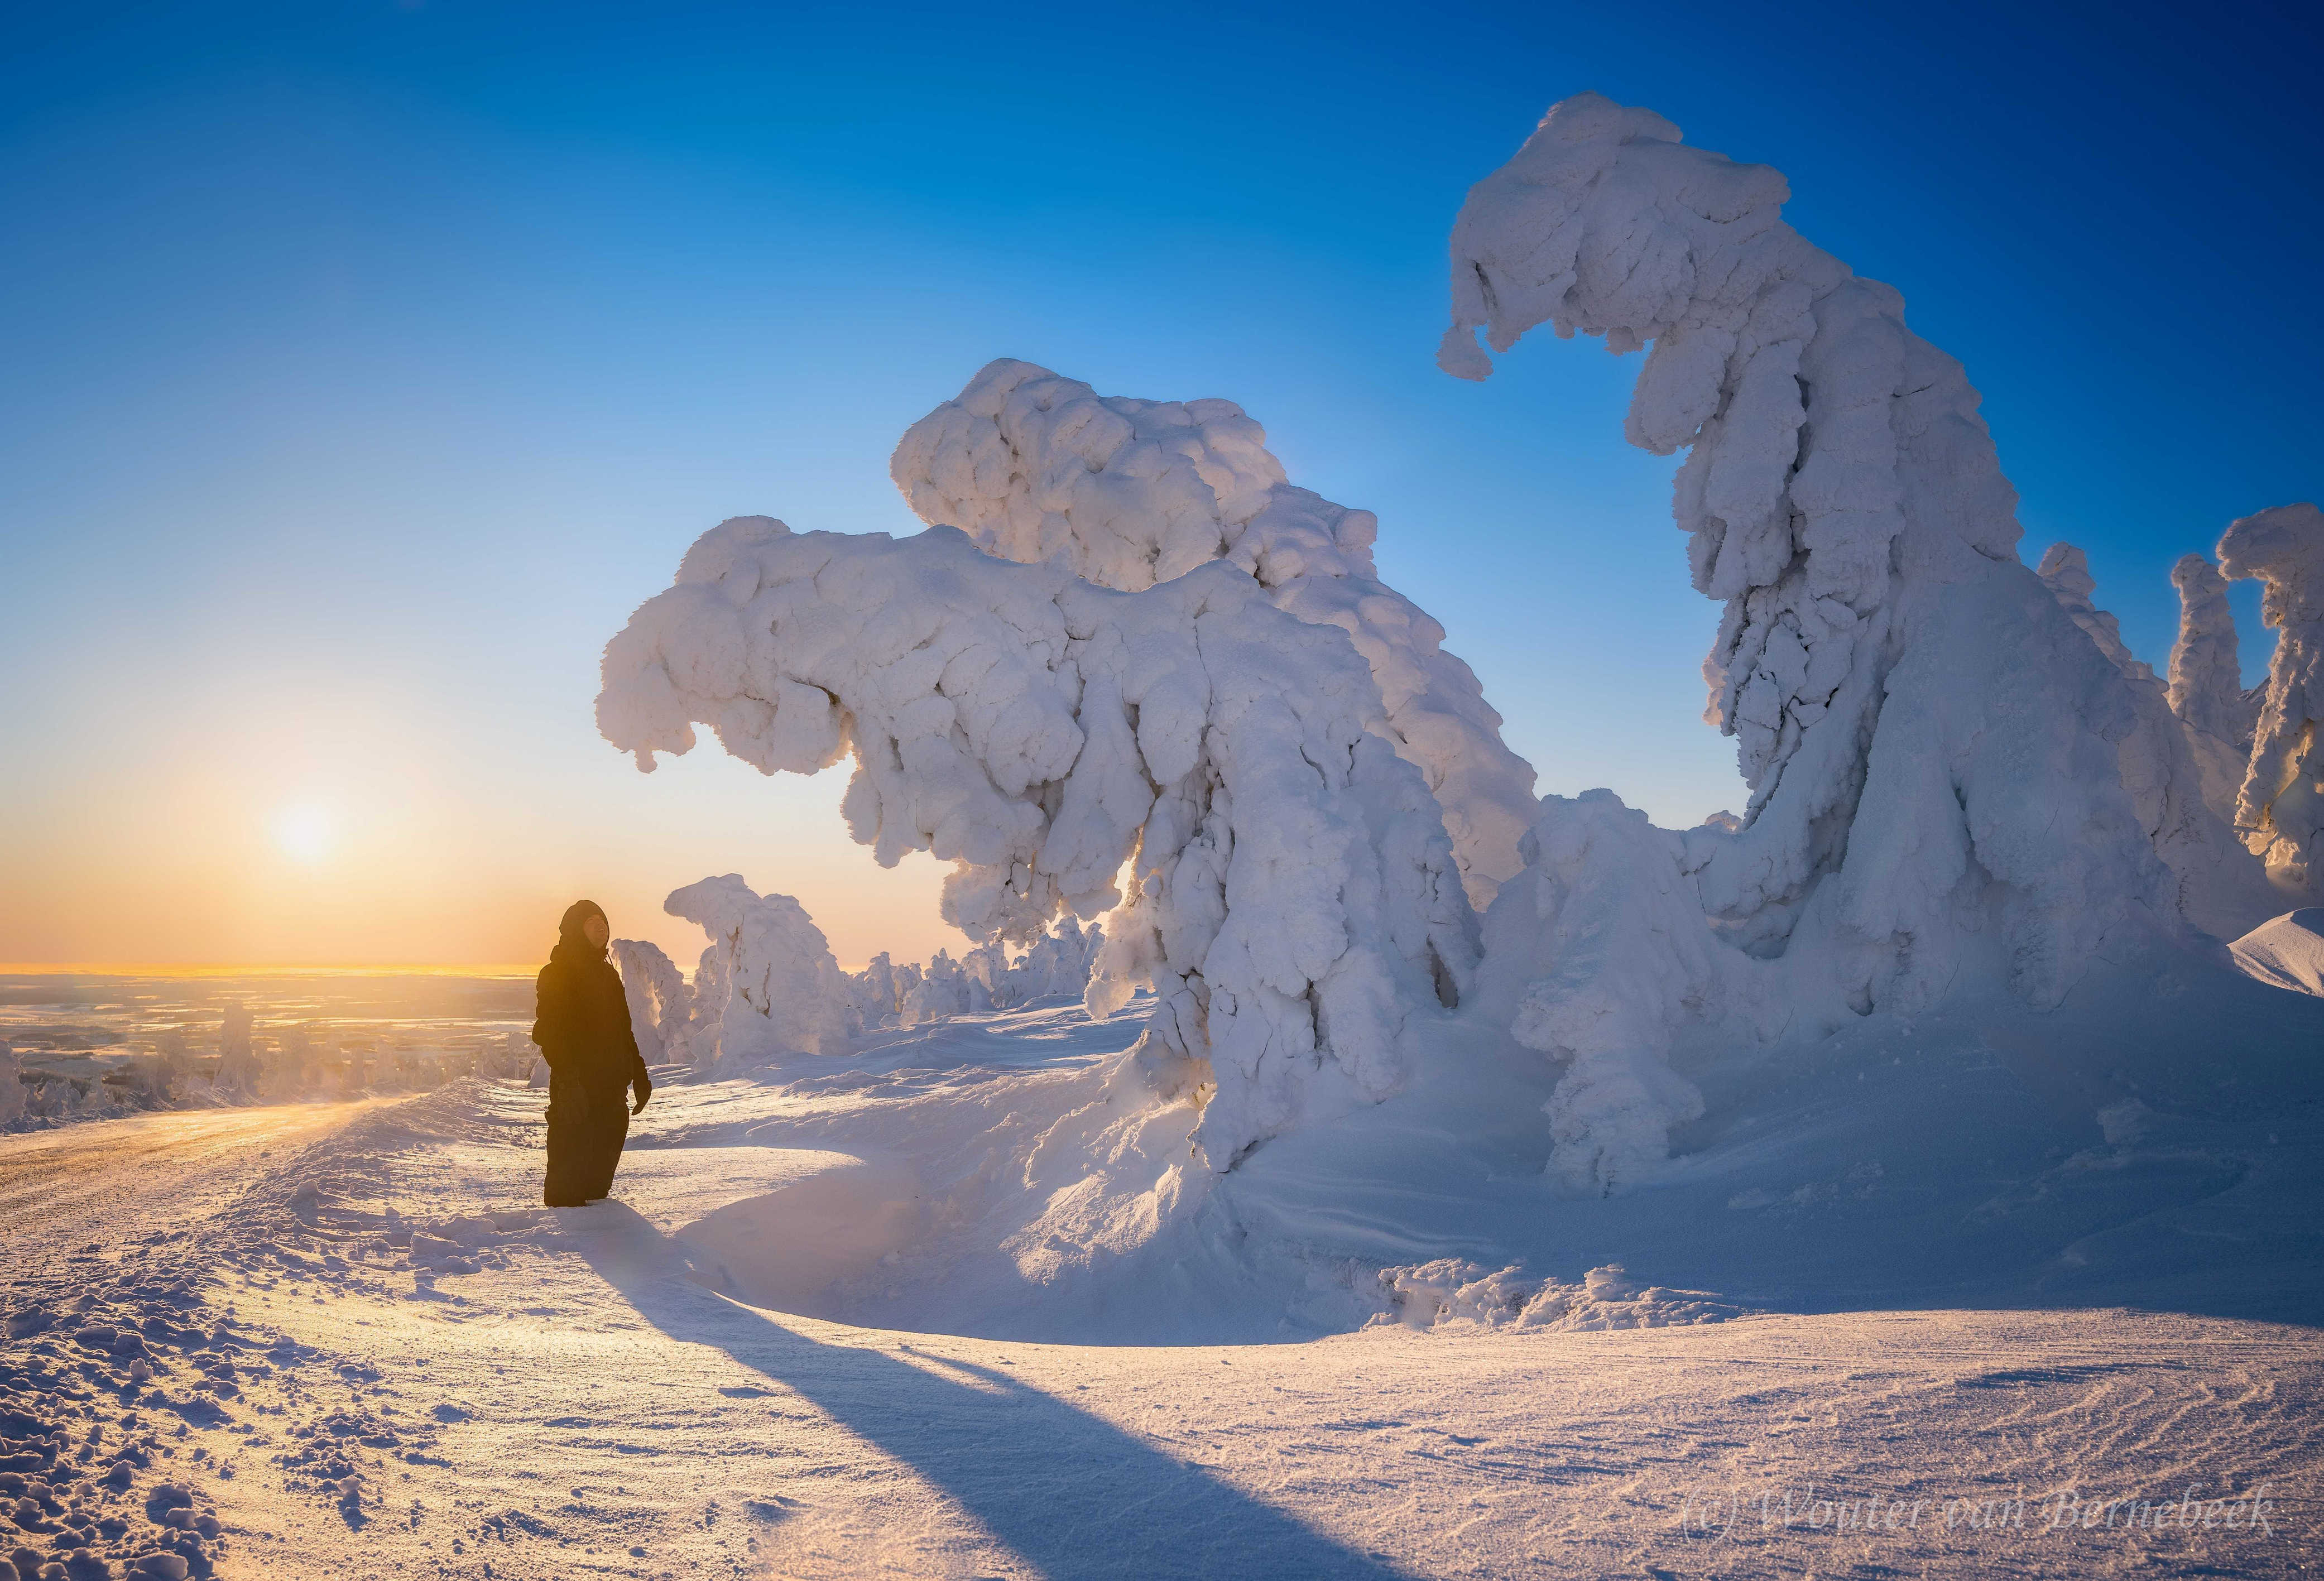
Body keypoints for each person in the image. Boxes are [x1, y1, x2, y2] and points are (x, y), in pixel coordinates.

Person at [530, 900, 652, 1207]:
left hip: (612, 1096)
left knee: (597, 1190)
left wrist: (639, 1074)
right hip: (577, 1093)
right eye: (591, 921)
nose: (601, 926)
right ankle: (564, 1249)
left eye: (604, 921)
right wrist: (570, 1084)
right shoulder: (557, 973)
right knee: (567, 1192)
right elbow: (551, 1034)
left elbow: (623, 1031)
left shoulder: (608, 976)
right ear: (574, 928)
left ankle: (601, 1243)